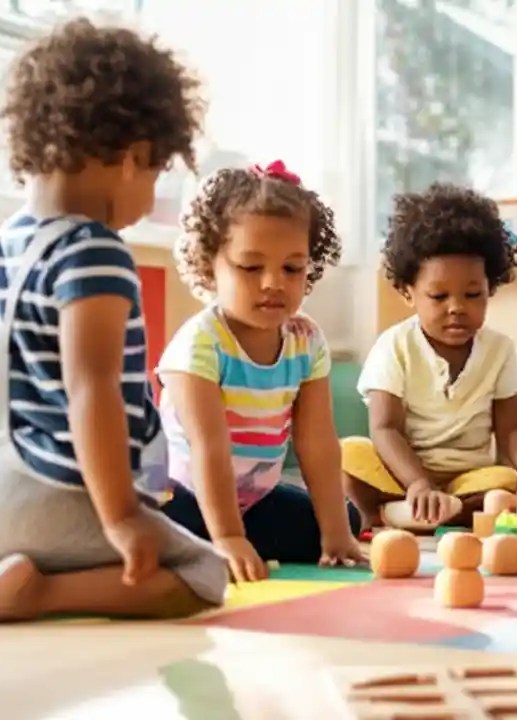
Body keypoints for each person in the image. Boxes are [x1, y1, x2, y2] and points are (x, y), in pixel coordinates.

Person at [0, 19, 226, 621]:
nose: (149, 196)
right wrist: (122, 515)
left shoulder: (3, 243)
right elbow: (91, 389)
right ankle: (37, 593)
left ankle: (4, 569)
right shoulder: (93, 252)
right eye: (155, 173)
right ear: (131, 158)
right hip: (65, 495)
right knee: (201, 573)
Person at [157, 162, 364, 583]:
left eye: (292, 268)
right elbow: (208, 447)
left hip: (255, 501)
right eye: (251, 268)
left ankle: (231, 542)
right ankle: (214, 543)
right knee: (152, 527)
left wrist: (336, 534)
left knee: (345, 517)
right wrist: (229, 536)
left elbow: (317, 442)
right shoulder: (199, 344)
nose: (273, 282)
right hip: (184, 496)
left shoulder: (306, 341)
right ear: (208, 264)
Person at [341, 184, 517, 530]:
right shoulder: (393, 346)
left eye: (473, 295)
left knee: (504, 482)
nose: (457, 308)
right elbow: (385, 428)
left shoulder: (499, 350)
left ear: (491, 289)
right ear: (408, 293)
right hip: (402, 475)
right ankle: (406, 508)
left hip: (470, 478)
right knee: (349, 454)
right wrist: (419, 483)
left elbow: (514, 426)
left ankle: (408, 515)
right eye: (439, 296)